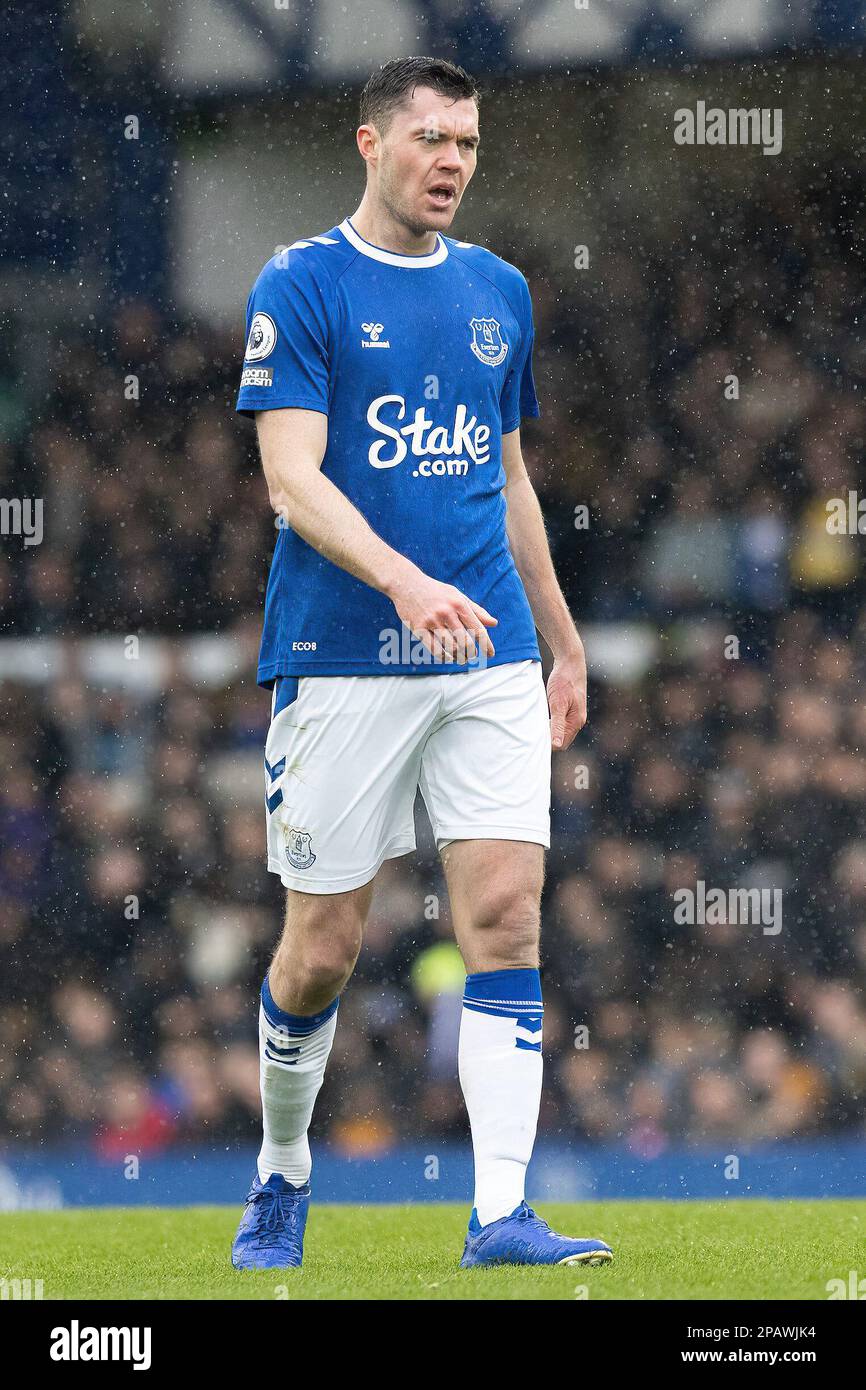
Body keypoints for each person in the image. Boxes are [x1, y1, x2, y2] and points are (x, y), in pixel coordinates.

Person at [230, 55, 613, 1272]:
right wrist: (399, 578)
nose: (450, 161)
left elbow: (504, 480)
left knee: (502, 914)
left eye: (467, 144)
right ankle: (283, 1172)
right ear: (369, 143)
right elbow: (291, 481)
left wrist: (557, 634)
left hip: (487, 648)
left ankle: (499, 1210)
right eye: (430, 139)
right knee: (321, 947)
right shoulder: (300, 285)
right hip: (343, 654)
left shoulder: (498, 291)